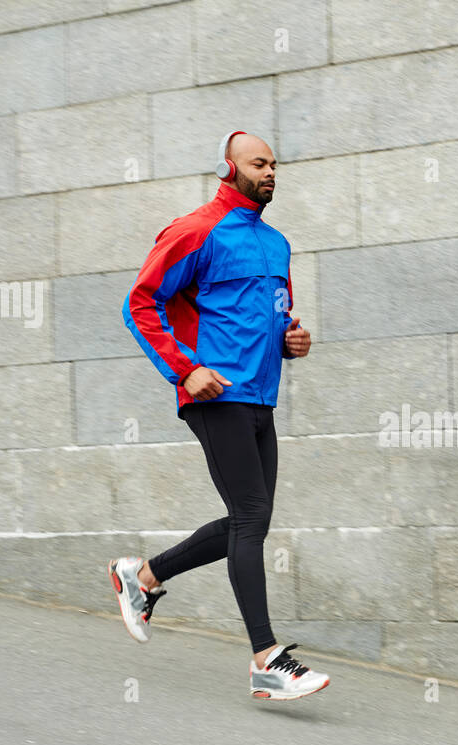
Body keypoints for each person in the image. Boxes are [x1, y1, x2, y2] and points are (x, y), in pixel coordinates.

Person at [108, 129, 329, 702]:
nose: (271, 171)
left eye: (276, 163)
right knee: (252, 514)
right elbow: (141, 302)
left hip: (261, 396)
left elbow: (271, 317)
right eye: (260, 163)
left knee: (247, 521)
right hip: (214, 392)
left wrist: (290, 339)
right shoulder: (194, 230)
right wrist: (184, 370)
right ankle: (266, 658)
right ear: (228, 168)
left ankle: (144, 576)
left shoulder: (277, 243)